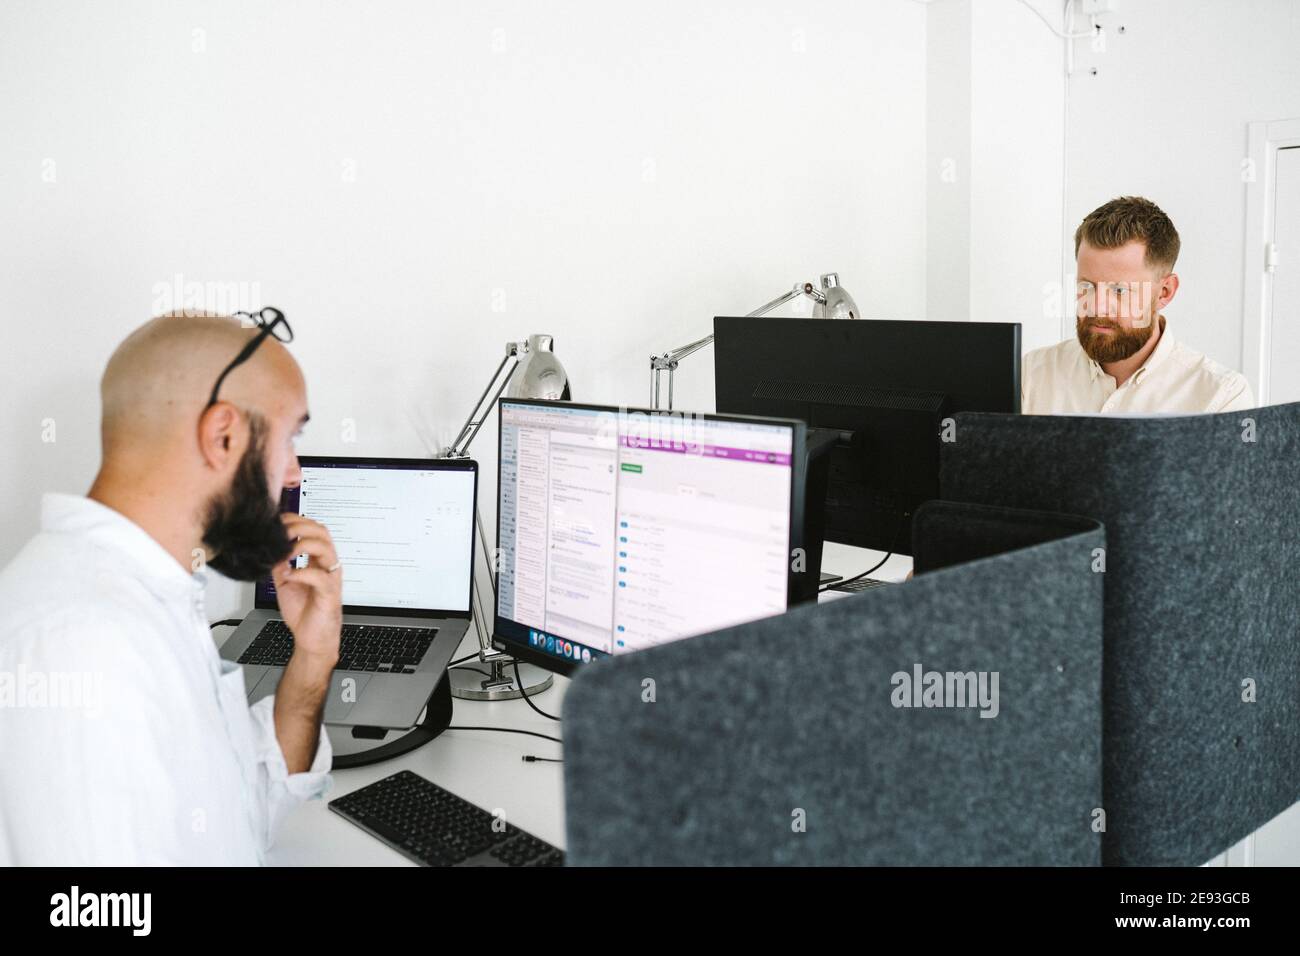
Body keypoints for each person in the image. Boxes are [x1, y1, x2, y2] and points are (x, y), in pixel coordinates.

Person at [0, 310, 341, 864]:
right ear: (222, 436)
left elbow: (238, 821)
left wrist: (315, 657)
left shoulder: (149, 596)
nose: (294, 472)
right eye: (289, 439)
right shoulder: (80, 644)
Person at [1022, 196, 1254, 415]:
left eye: (1119, 290)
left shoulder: (1221, 397)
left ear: (1165, 292)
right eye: (1087, 286)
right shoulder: (1030, 375)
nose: (1097, 306)